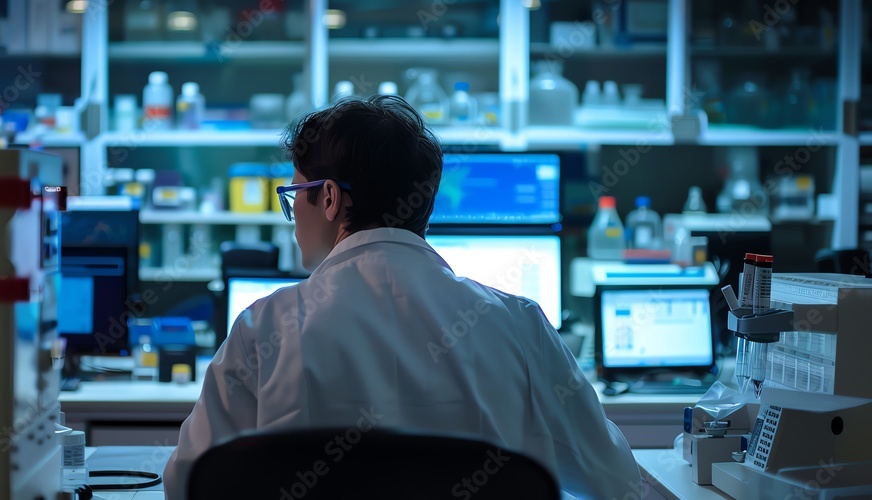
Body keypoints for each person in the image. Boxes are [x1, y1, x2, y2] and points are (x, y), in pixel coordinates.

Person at [163, 95, 641, 498]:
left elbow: (187, 483)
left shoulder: (263, 329)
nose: (293, 217)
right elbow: (617, 483)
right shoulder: (519, 324)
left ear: (328, 198)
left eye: (295, 195)